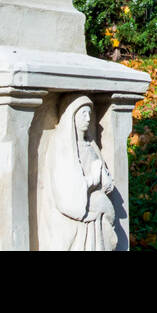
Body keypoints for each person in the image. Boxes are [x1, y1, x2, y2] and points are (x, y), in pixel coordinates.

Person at [50, 94, 117, 251]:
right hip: (80, 216)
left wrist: (103, 179)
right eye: (83, 114)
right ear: (71, 117)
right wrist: (92, 180)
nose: (87, 118)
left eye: (89, 114)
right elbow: (65, 188)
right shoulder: (63, 147)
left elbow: (104, 177)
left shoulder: (91, 145)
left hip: (98, 217)